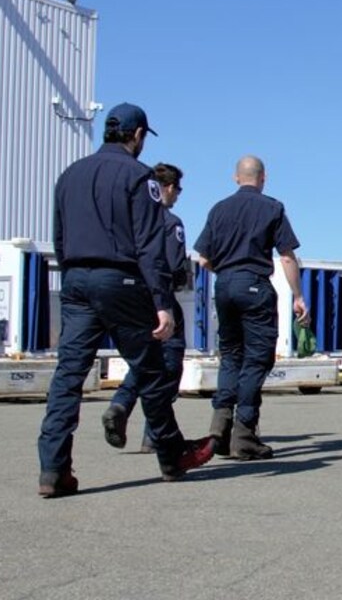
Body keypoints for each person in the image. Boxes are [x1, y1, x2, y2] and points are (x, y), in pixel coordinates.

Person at [39, 103, 213, 497]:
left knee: (68, 376)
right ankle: (171, 456)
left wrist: (74, 280)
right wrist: (162, 303)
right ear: (137, 136)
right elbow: (150, 246)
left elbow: (60, 237)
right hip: (121, 281)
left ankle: (53, 469)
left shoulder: (69, 175)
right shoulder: (139, 177)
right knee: (151, 371)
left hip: (77, 280)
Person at [194, 156, 308, 459]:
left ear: (235, 178)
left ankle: (219, 429)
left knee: (231, 356)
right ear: (263, 178)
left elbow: (203, 259)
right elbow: (286, 256)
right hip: (255, 285)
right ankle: (244, 434)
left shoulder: (218, 209)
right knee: (257, 359)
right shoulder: (272, 207)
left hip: (224, 285)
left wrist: (229, 274)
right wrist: (297, 295)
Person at [104, 163, 191, 453]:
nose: (177, 195)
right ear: (167, 188)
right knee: (169, 365)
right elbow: (174, 265)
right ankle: (154, 435)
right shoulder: (170, 222)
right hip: (161, 299)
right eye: (177, 189)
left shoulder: (130, 221)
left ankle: (121, 404)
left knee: (143, 362)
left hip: (132, 299)